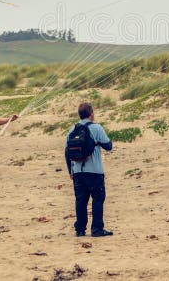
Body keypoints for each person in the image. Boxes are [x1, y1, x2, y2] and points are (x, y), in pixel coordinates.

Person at [64, 102, 113, 238]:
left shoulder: (72, 129)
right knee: (97, 198)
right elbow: (109, 146)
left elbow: (67, 152)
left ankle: (80, 229)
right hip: (95, 171)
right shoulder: (97, 128)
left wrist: (70, 171)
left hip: (78, 171)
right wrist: (98, 142)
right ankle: (97, 229)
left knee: (81, 200)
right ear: (91, 113)